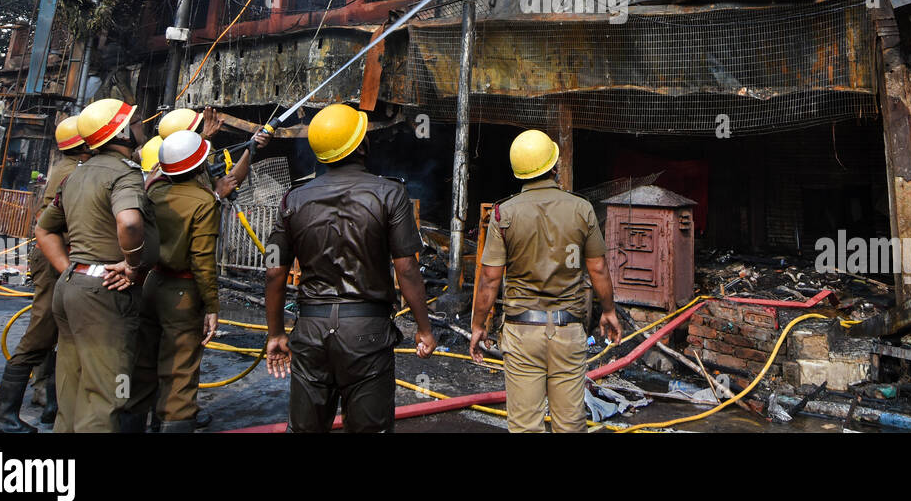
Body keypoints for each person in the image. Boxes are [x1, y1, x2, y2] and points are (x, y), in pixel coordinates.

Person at [264, 103, 435, 432]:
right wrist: (424, 328)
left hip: (311, 330)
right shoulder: (390, 194)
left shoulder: (292, 200)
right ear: (360, 145)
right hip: (366, 332)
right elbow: (407, 269)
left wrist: (275, 333)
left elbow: (274, 271)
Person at [470, 129, 621, 433]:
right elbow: (599, 269)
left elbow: (489, 279)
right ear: (554, 166)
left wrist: (478, 326)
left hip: (522, 332)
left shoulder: (503, 214)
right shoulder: (581, 209)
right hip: (567, 332)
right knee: (570, 425)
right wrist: (608, 311)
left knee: (525, 426)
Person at [36, 98, 158, 433]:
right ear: (120, 131)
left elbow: (43, 229)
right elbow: (130, 223)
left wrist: (70, 270)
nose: (141, 126)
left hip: (73, 287)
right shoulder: (124, 174)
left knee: (71, 388)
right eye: (134, 122)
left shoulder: (75, 176)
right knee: (110, 392)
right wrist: (132, 265)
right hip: (106, 293)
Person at [123, 130, 255, 432]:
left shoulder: (154, 192)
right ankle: (173, 421)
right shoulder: (204, 202)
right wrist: (211, 305)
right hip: (182, 293)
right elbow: (202, 261)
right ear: (199, 166)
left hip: (151, 284)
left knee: (143, 365)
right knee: (180, 371)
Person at [0, 116, 91, 433]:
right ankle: (4, 417)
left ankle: (52, 405)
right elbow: (48, 221)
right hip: (54, 258)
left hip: (58, 256)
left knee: (60, 331)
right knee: (41, 331)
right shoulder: (71, 171)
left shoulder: (71, 167)